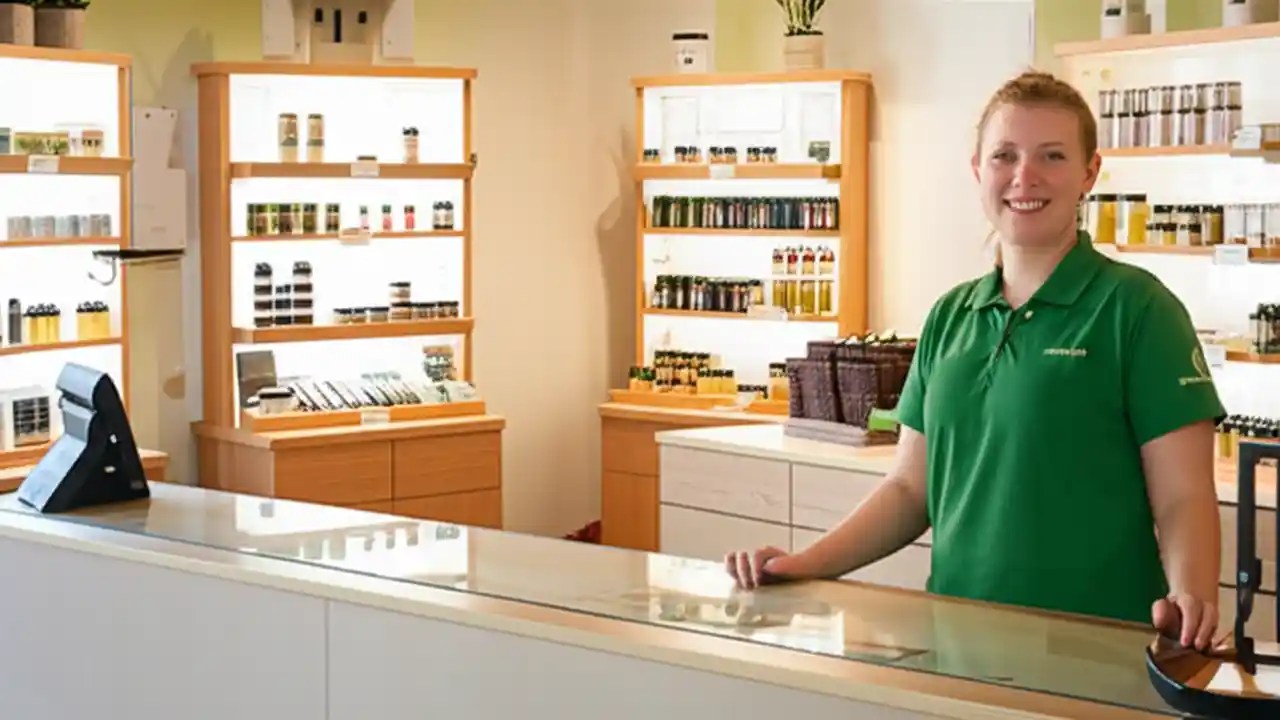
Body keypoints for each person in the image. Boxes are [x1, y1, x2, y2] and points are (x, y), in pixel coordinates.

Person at [725, 70, 1226, 651]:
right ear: (977, 170)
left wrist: (1191, 600)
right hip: (958, 643)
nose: (1024, 177)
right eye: (1004, 156)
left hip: (1096, 653)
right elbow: (910, 492)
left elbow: (1184, 495)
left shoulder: (1138, 310)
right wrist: (800, 564)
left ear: (1090, 172)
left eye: (1053, 156)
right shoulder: (949, 317)